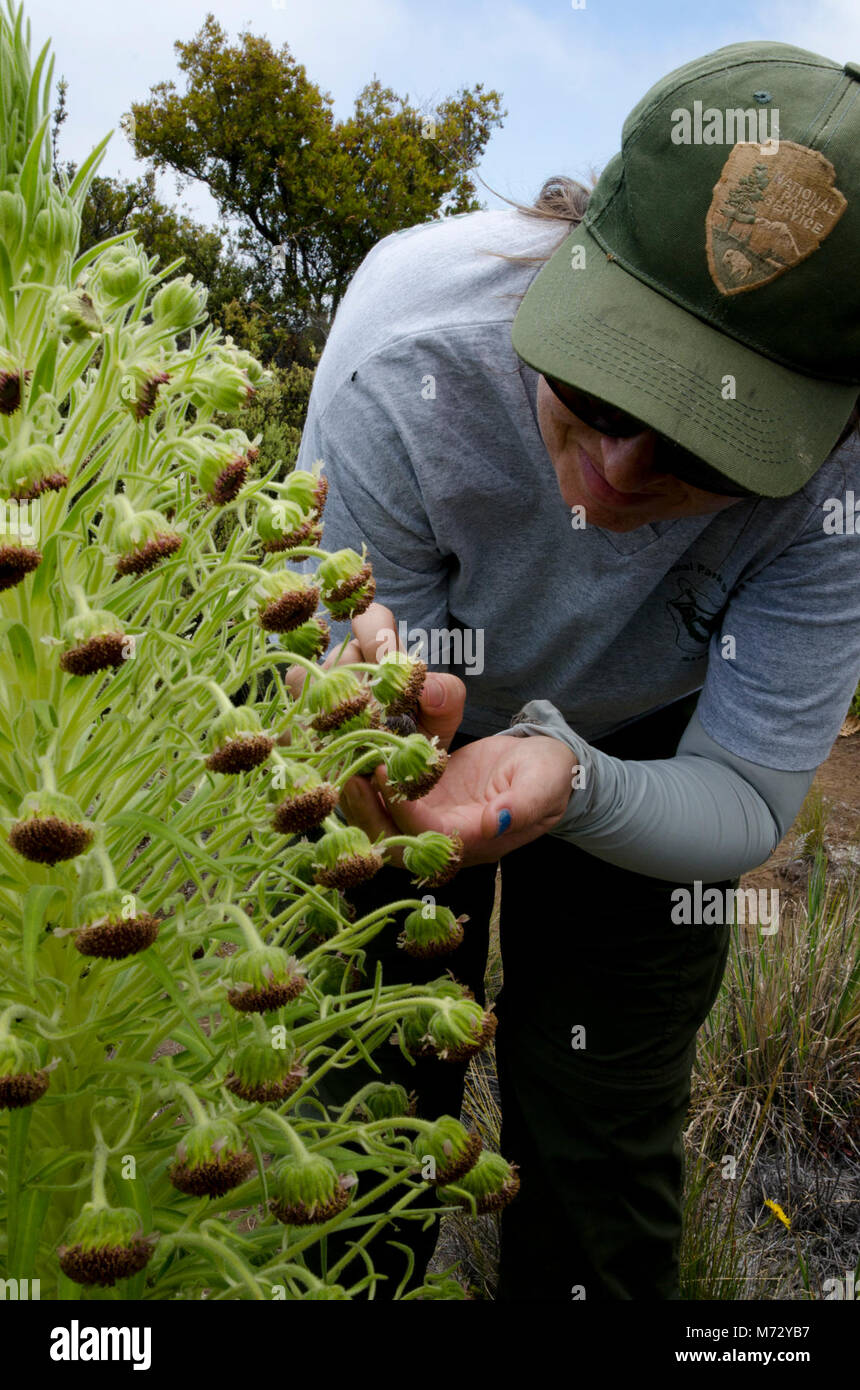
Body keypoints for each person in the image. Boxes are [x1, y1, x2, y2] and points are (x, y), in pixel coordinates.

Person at [287, 39, 860, 1300]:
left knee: (599, 1127)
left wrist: (580, 785)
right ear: (576, 257)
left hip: (650, 746)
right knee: (357, 1098)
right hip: (421, 723)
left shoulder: (844, 490)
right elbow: (351, 659)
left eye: (710, 451)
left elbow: (747, 801)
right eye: (599, 391)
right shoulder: (405, 345)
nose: (615, 471)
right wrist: (359, 711)